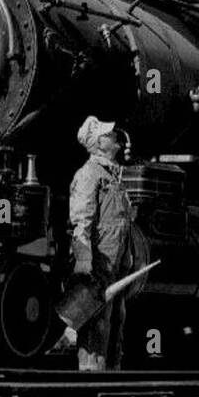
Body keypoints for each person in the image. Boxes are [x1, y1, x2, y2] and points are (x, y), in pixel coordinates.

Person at [57, 115, 134, 371]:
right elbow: (81, 220)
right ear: (100, 143)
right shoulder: (89, 175)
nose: (117, 139)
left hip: (115, 264)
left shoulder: (112, 176)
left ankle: (111, 374)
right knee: (96, 321)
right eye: (110, 135)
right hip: (99, 263)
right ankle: (92, 374)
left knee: (115, 318)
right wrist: (83, 260)